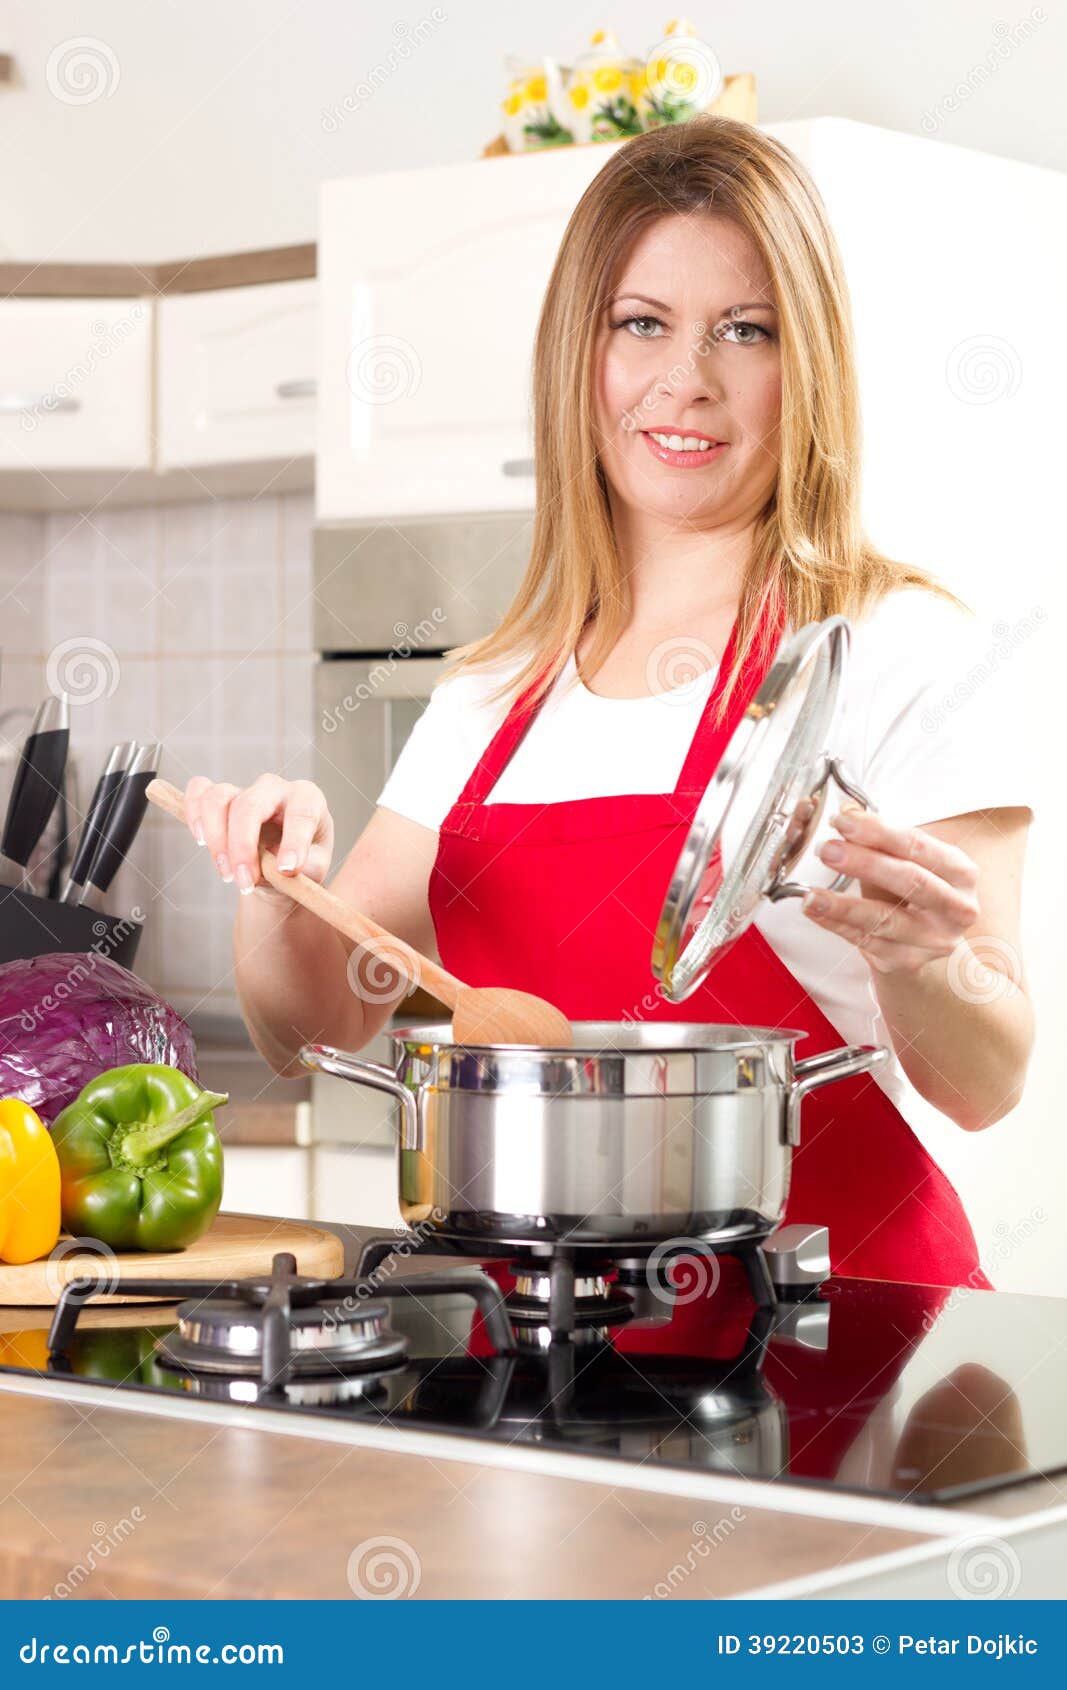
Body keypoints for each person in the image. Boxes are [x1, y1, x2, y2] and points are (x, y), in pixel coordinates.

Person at [182, 117, 1034, 1288]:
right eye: (641, 324)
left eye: (746, 330)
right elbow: (312, 1027)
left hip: (844, 1339)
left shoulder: (889, 649)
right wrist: (275, 886)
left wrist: (925, 968)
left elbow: (986, 1081)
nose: (684, 380)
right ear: (578, 358)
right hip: (540, 1368)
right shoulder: (494, 690)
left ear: (810, 367)